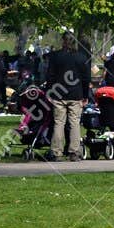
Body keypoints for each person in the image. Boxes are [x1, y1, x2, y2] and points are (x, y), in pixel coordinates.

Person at [44, 32, 91, 160]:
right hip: (76, 94)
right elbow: (86, 78)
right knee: (74, 123)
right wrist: (86, 95)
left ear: (63, 41)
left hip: (59, 94)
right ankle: (74, 152)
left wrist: (49, 91)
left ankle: (56, 152)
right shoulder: (81, 57)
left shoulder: (56, 56)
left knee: (59, 123)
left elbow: (50, 76)